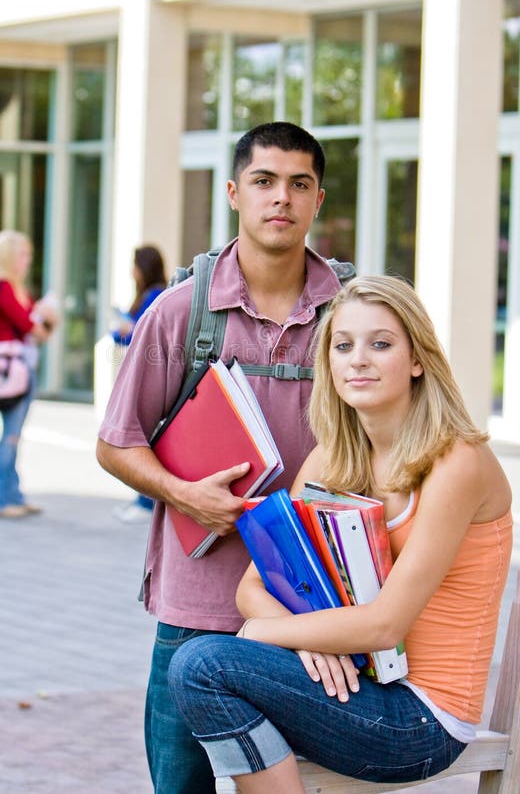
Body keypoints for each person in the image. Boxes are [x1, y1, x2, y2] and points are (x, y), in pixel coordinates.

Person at [167, 275, 513, 793]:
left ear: (417, 360)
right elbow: (252, 588)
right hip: (357, 684)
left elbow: (381, 626)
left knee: (202, 665)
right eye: (343, 346)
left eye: (381, 344)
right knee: (202, 667)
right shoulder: (332, 458)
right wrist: (316, 646)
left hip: (423, 720)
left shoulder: (456, 461)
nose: (359, 359)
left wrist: (268, 633)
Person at [96, 121, 343, 794]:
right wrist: (183, 493)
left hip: (313, 605)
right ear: (235, 193)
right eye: (264, 182)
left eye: (299, 184)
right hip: (196, 606)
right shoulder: (182, 312)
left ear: (318, 200)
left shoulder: (352, 315)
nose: (280, 199)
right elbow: (116, 442)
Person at [0, 230, 57, 519]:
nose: (27, 261)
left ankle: (12, 494)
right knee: (10, 436)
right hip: (12, 369)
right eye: (23, 255)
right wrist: (42, 317)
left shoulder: (8, 287)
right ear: (10, 257)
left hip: (16, 366)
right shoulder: (2, 287)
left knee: (13, 434)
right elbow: (30, 326)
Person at [110, 245, 168, 522]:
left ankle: (145, 502)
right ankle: (141, 499)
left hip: (150, 372)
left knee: (142, 435)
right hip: (138, 367)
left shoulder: (156, 296)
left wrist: (125, 331)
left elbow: (141, 336)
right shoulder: (146, 295)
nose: (132, 271)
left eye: (135, 265)